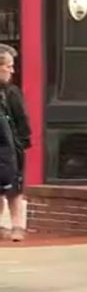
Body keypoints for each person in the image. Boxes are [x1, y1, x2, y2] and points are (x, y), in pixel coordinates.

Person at [0, 44, 29, 242]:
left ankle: (18, 226)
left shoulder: (12, 93)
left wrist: (21, 143)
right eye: (8, 66)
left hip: (11, 148)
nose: (12, 70)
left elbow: (22, 119)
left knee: (14, 189)